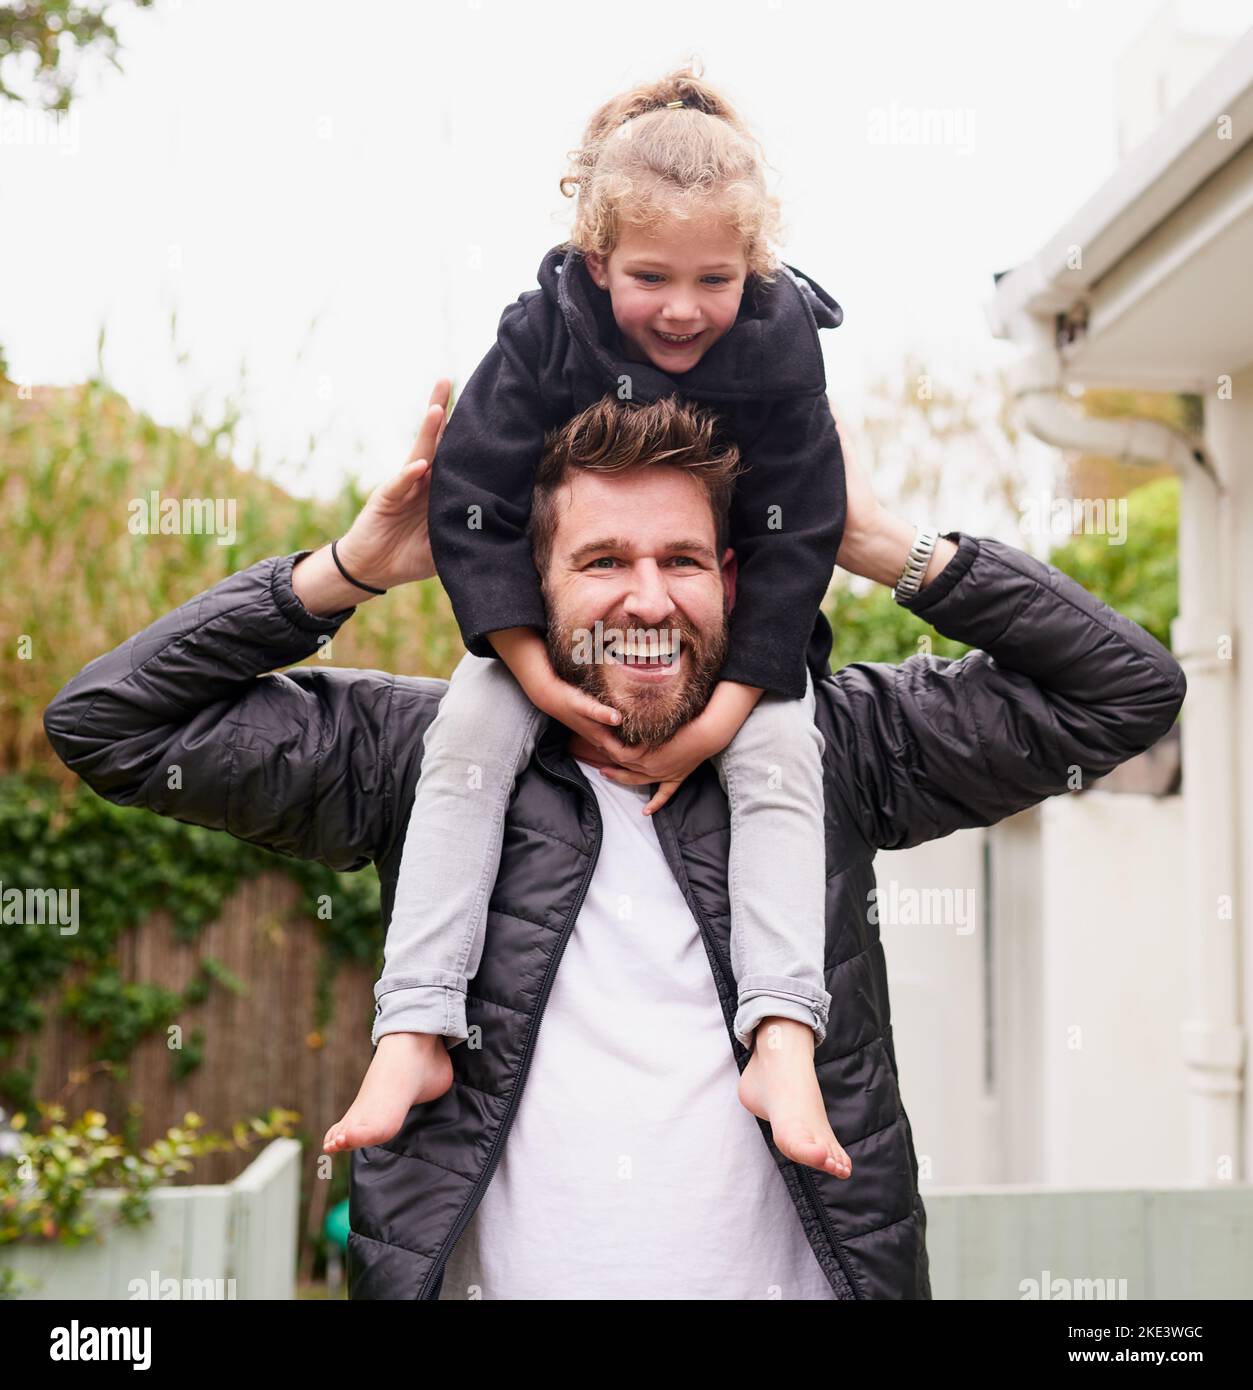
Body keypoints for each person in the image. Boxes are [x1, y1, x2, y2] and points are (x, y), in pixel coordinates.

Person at [43, 385, 1186, 1299]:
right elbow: (110, 724)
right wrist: (341, 572)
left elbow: (1123, 693)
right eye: (600, 561)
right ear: (528, 585)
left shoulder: (841, 743)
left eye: (680, 560)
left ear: (730, 578)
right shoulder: (421, 754)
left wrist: (887, 545)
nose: (646, 597)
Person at [325, 65, 854, 1179]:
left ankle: (781, 1035)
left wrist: (724, 714)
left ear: (752, 267)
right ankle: (416, 1022)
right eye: (649, 275)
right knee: (463, 741)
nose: (680, 307)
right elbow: (468, 497)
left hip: (740, 645)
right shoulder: (540, 331)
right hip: (542, 641)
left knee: (781, 767)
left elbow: (805, 529)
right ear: (595, 260)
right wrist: (530, 671)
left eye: (714, 278)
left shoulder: (782, 341)